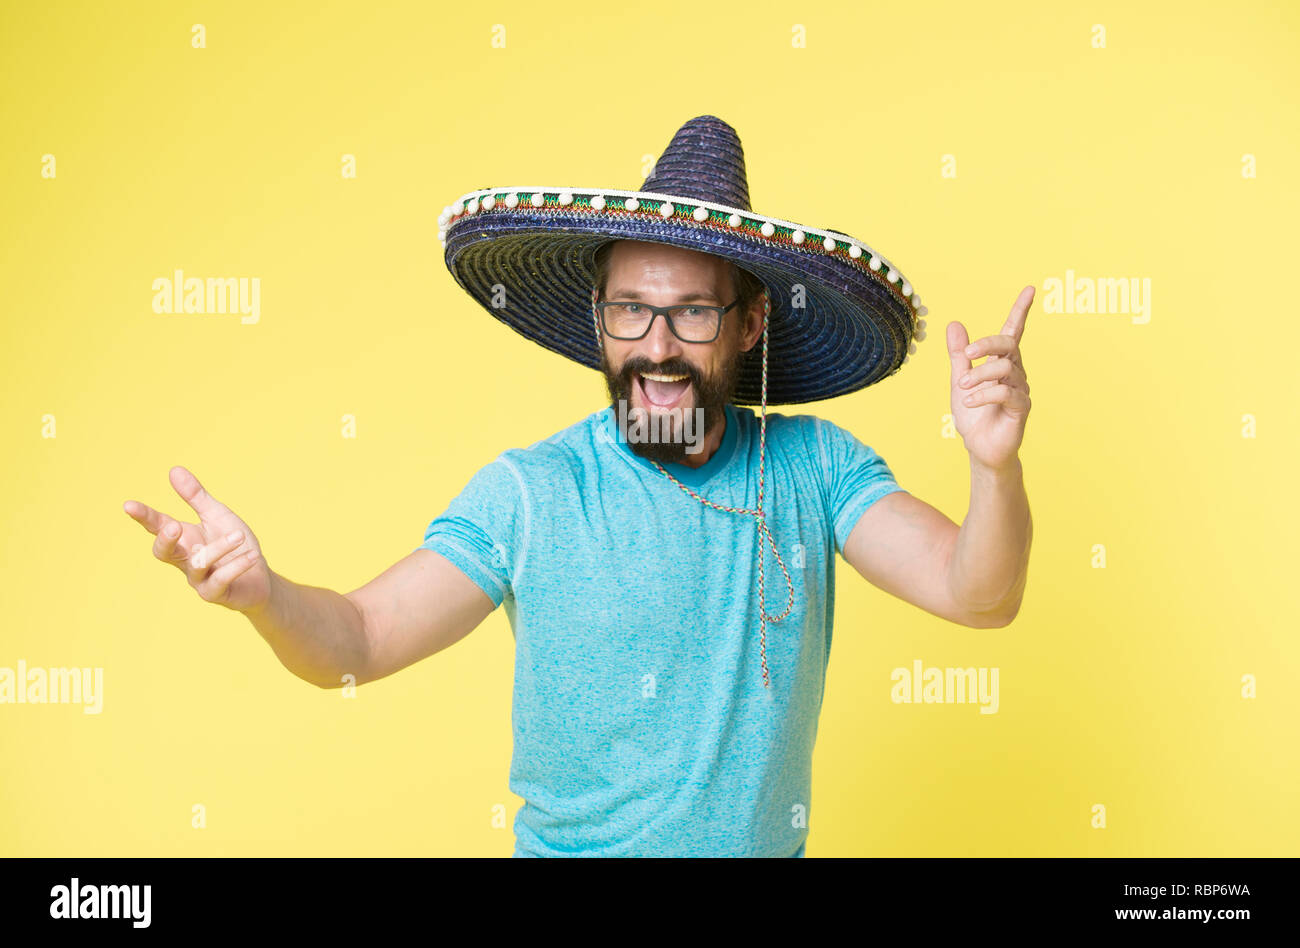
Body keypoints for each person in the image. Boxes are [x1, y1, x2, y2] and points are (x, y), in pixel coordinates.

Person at [123, 116, 1034, 857]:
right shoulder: (532, 491)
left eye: (694, 312)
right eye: (630, 309)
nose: (658, 345)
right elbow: (358, 641)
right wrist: (263, 596)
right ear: (599, 320)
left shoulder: (817, 469)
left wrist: (993, 466)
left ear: (751, 324)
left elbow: (979, 595)